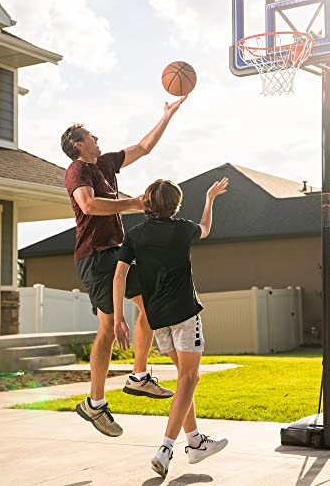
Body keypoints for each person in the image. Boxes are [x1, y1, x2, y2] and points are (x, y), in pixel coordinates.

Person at [62, 97, 186, 438]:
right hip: (95, 256)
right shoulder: (78, 170)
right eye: (91, 136)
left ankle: (138, 376)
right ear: (78, 144)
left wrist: (167, 115)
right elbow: (87, 205)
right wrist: (132, 202)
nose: (97, 138)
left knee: (151, 305)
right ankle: (95, 403)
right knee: (106, 329)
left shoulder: (104, 164)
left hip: (114, 251)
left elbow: (144, 147)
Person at [113, 177, 229, 477]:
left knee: (183, 380)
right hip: (185, 313)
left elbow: (119, 277)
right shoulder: (183, 229)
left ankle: (195, 441)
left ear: (147, 203)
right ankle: (166, 448)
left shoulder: (135, 235)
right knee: (190, 378)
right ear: (175, 204)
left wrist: (118, 317)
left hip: (158, 319)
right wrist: (210, 199)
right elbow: (205, 228)